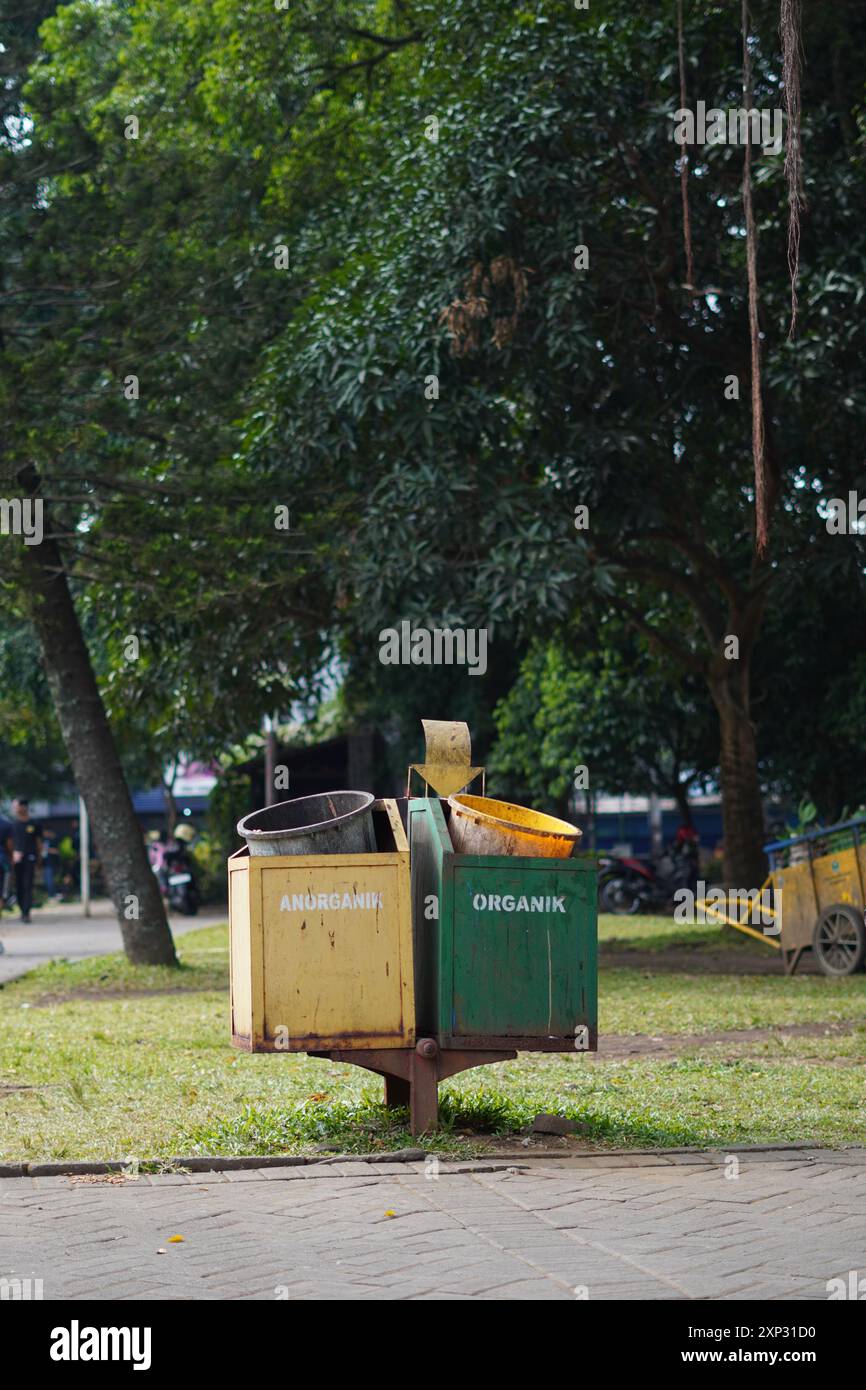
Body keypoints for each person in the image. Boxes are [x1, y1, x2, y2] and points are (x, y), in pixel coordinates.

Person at [8, 798, 42, 923]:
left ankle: (26, 912)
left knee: (28, 884)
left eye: (16, 806)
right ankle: (22, 909)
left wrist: (39, 858)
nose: (14, 809)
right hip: (17, 859)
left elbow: (39, 842)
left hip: (30, 857)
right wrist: (12, 855)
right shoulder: (13, 824)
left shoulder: (34, 823)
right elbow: (10, 843)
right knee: (19, 886)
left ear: (24, 807)